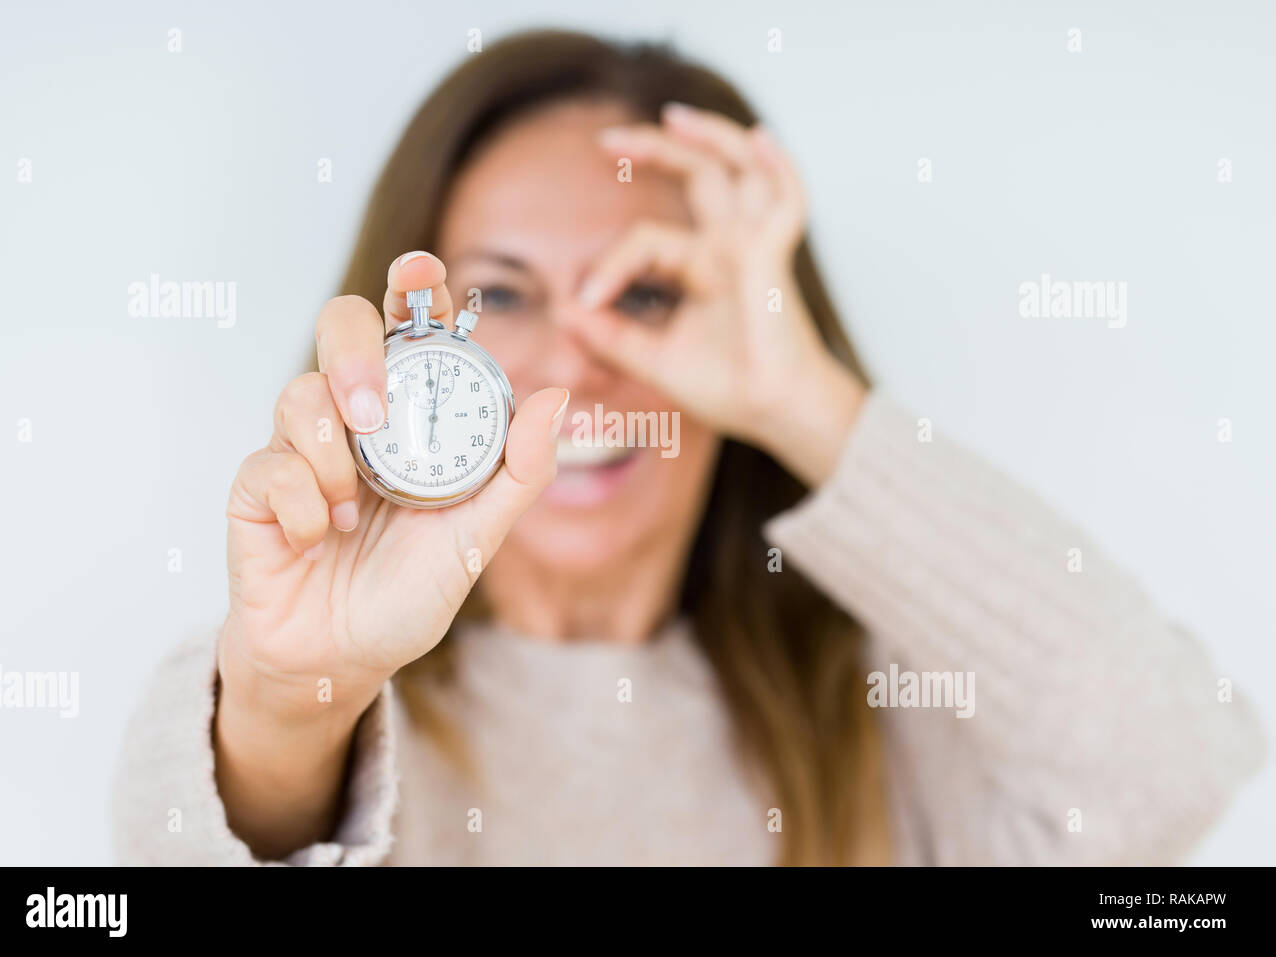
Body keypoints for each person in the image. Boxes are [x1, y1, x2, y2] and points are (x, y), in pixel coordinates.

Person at [113, 30, 1264, 866]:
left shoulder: (891, 725)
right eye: (503, 293)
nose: (575, 369)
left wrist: (803, 399)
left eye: (647, 294)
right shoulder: (280, 696)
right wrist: (293, 704)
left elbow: (1168, 766)